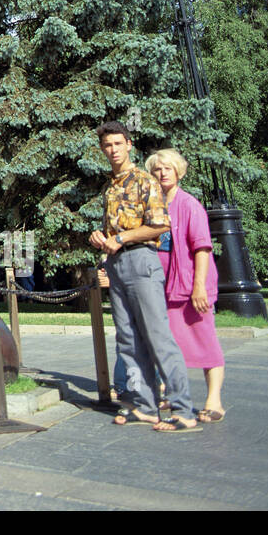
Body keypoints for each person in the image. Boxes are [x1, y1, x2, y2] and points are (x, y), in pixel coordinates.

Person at [89, 121, 200, 432]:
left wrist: (122, 239)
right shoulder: (110, 187)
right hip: (117, 265)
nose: (112, 150)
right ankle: (146, 406)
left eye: (117, 144)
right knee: (128, 340)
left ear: (129, 145)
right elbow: (115, 232)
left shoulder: (145, 181)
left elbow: (160, 225)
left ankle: (183, 410)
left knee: (157, 337)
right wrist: (102, 240)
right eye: (107, 145)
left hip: (141, 263)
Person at [147, 148, 226, 422]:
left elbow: (202, 248)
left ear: (178, 171)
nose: (162, 173)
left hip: (190, 286)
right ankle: (172, 393)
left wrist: (199, 287)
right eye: (157, 169)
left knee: (205, 341)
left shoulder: (190, 204)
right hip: (161, 286)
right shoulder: (152, 205)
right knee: (168, 343)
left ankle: (214, 400)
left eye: (168, 168)